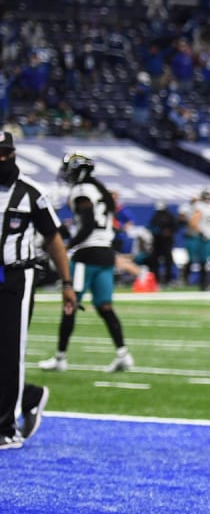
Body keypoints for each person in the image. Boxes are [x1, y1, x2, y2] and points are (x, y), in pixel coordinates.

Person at [0, 132, 78, 449]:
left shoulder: (31, 192)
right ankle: (31, 395)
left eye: (7, 154)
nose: (3, 160)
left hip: (16, 278)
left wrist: (67, 283)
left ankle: (6, 427)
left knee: (9, 351)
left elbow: (54, 239)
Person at [37, 154, 134, 374]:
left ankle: (60, 357)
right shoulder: (100, 191)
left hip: (87, 254)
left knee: (70, 304)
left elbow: (88, 224)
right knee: (105, 307)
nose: (67, 175)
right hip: (106, 253)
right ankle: (123, 354)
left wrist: (70, 244)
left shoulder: (82, 191)